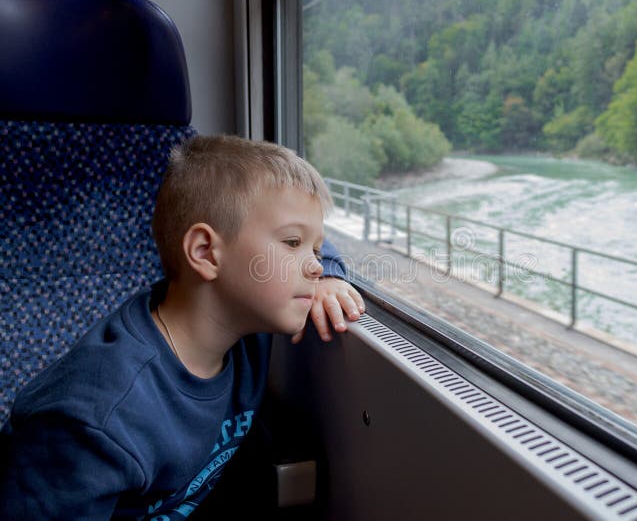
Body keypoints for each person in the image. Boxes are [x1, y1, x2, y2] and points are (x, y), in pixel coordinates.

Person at [0, 135, 365, 519]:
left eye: (316, 250)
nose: (313, 264)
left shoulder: (245, 326)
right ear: (205, 253)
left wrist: (330, 278)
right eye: (293, 243)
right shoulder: (99, 422)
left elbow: (328, 251)